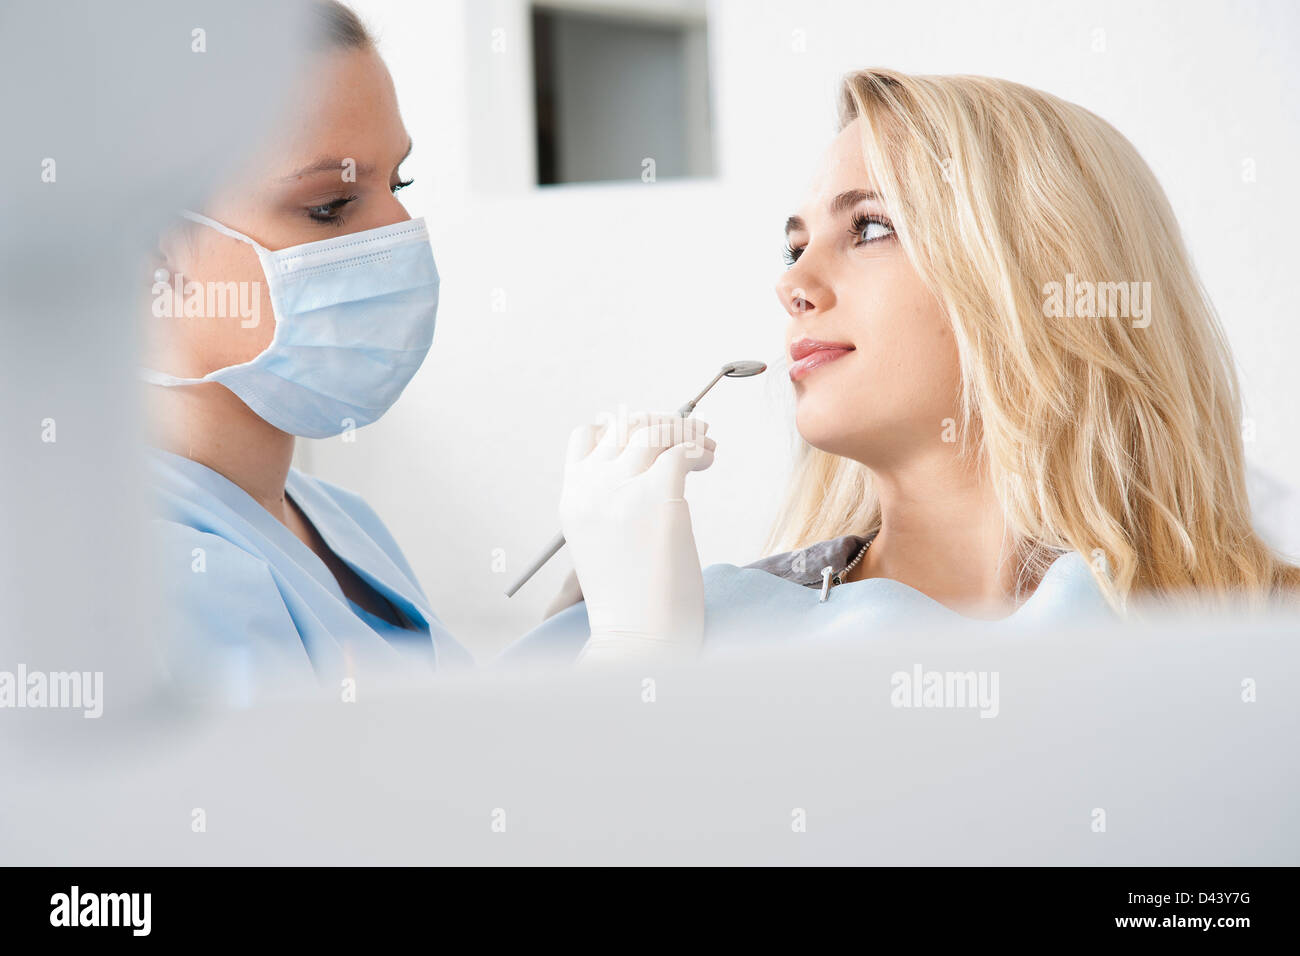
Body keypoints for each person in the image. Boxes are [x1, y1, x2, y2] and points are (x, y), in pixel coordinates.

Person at [505, 68, 1300, 668]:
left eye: (872, 227)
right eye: (793, 247)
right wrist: (630, 663)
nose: (792, 285)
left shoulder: (1262, 630)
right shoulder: (685, 627)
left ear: (1041, 275)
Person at [144, 0, 471, 699]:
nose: (400, 230)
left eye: (398, 183)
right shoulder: (149, 568)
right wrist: (633, 650)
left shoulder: (342, 521)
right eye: (330, 206)